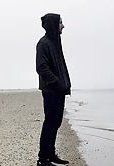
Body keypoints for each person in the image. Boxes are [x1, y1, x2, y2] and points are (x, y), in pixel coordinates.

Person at [36, 13, 71, 166]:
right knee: (50, 123)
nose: (63, 26)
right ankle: (42, 159)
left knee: (56, 123)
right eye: (60, 23)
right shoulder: (43, 43)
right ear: (53, 24)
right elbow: (41, 68)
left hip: (58, 90)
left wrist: (64, 85)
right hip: (51, 90)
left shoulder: (55, 42)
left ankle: (50, 154)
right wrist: (57, 83)